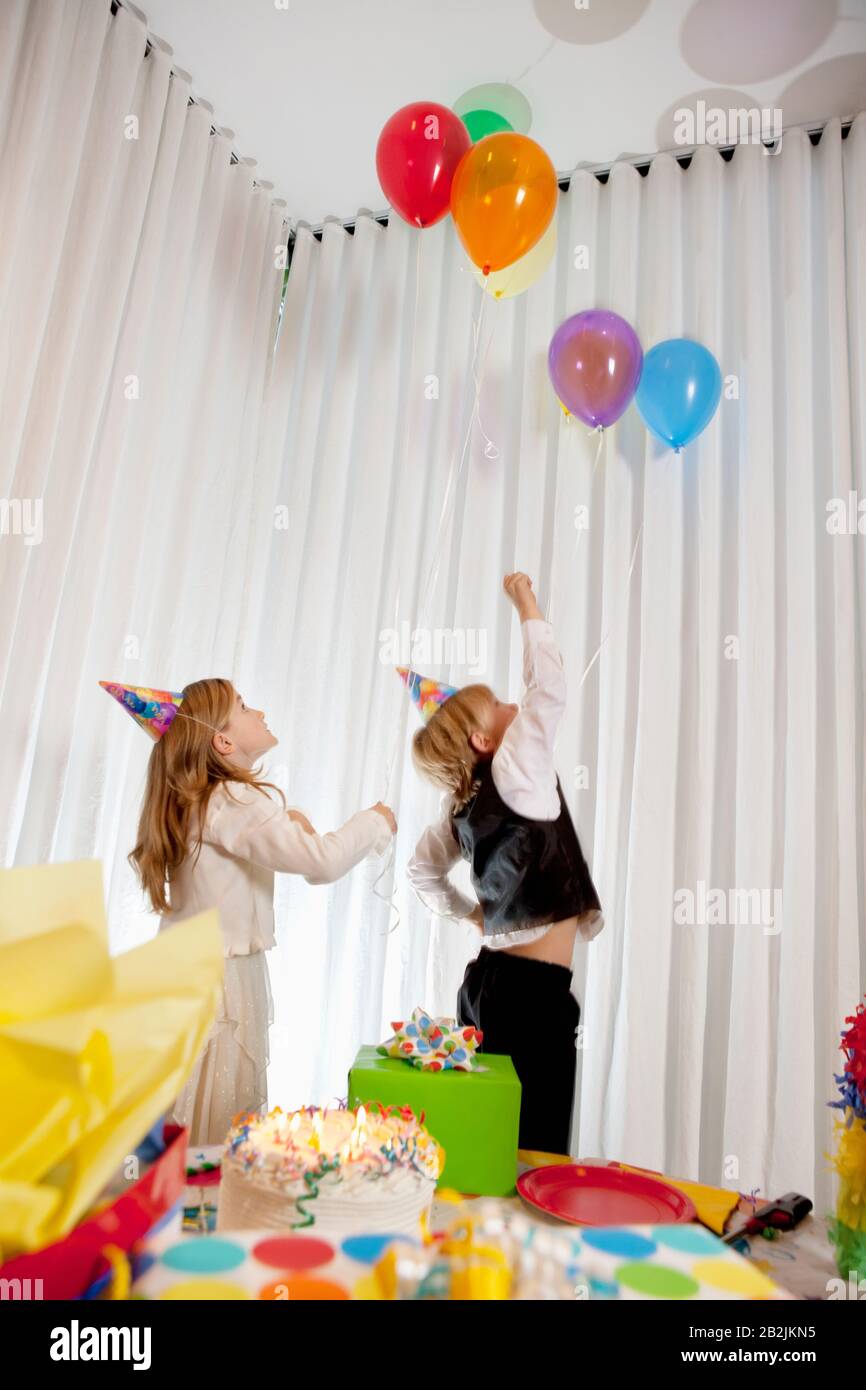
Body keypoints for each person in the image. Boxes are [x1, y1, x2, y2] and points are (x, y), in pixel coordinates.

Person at [403, 574, 602, 1153]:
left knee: (490, 1144)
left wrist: (471, 914)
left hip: (487, 988)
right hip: (533, 1001)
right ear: (485, 742)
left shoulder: (457, 805)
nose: (512, 703)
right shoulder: (518, 768)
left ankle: (482, 1236)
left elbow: (421, 872)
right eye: (497, 705)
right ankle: (520, 1242)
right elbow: (549, 690)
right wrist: (527, 604)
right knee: (534, 1151)